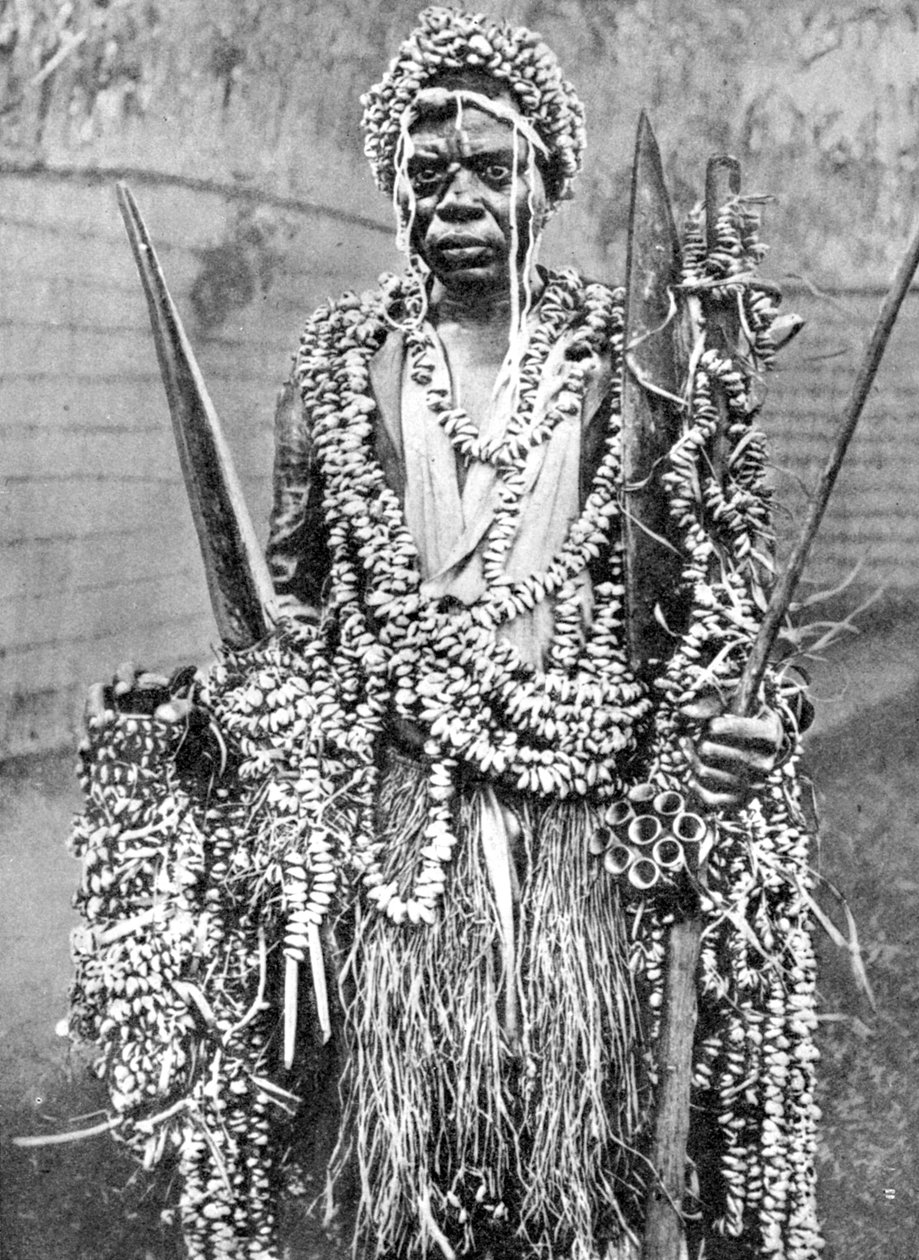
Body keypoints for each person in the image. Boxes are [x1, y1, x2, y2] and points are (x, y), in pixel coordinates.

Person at [78, 9, 819, 1260]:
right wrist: (236, 722)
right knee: (417, 1196)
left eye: (491, 170)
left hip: (588, 835)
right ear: (398, 192)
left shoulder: (630, 366)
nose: (456, 200)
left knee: (585, 1187)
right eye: (428, 176)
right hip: (401, 841)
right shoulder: (338, 369)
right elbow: (295, 623)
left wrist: (753, 724)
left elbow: (731, 624)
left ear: (549, 183)